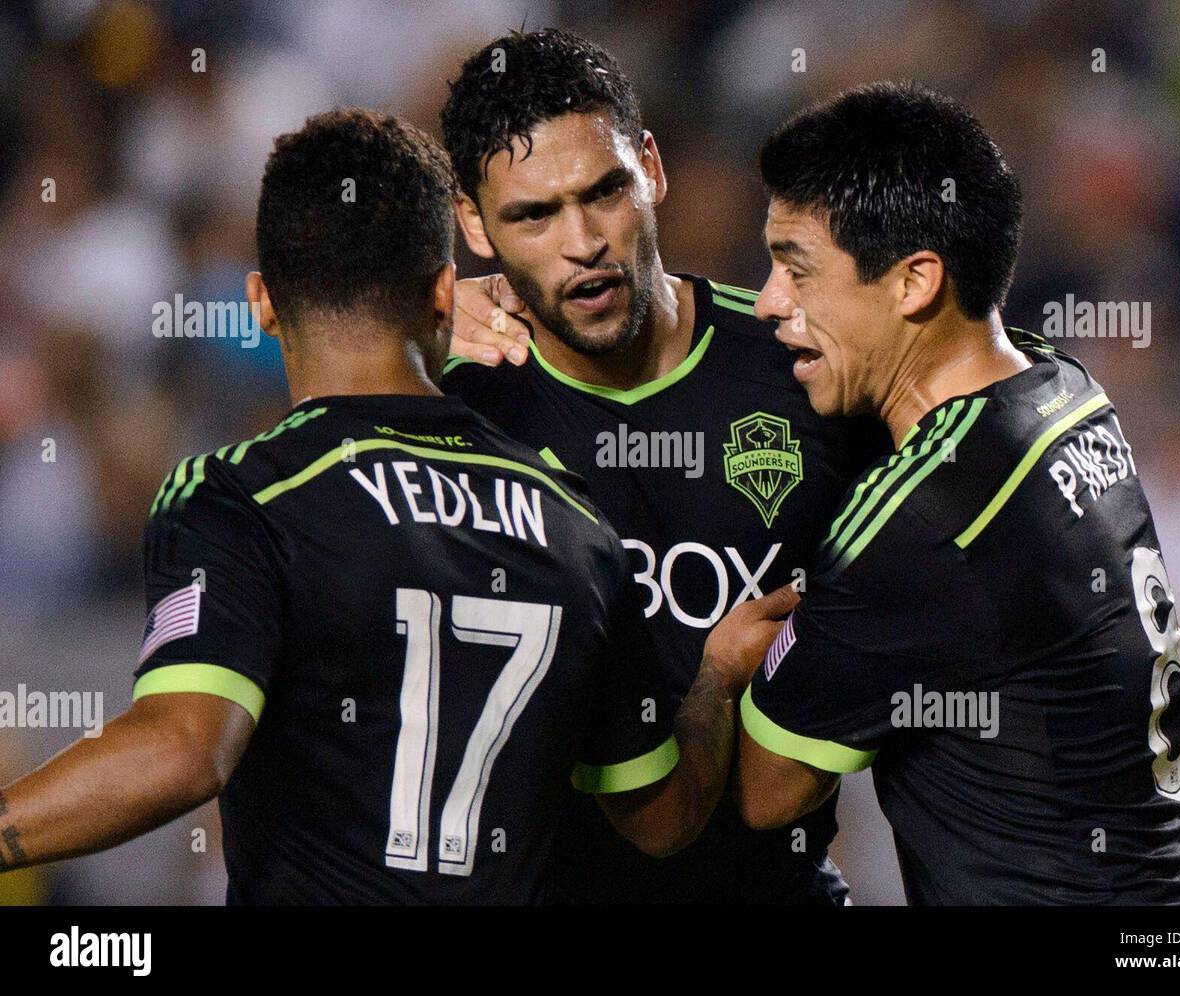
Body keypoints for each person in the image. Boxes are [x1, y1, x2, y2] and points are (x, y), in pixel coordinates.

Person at [0, 108, 791, 904]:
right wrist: (714, 682)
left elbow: (181, 752)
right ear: (446, 292)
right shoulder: (574, 522)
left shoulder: (246, 494)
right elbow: (660, 818)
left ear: (264, 302)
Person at [731, 82, 1180, 904]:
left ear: (916, 282)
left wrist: (720, 678)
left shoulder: (927, 518)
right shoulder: (1064, 385)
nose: (772, 302)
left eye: (797, 269)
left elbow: (768, 790)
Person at [439, 28, 889, 904]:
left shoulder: (800, 364)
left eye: (604, 192)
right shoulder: (453, 413)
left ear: (650, 167)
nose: (582, 242)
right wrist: (405, 317)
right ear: (473, 226)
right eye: (534, 215)